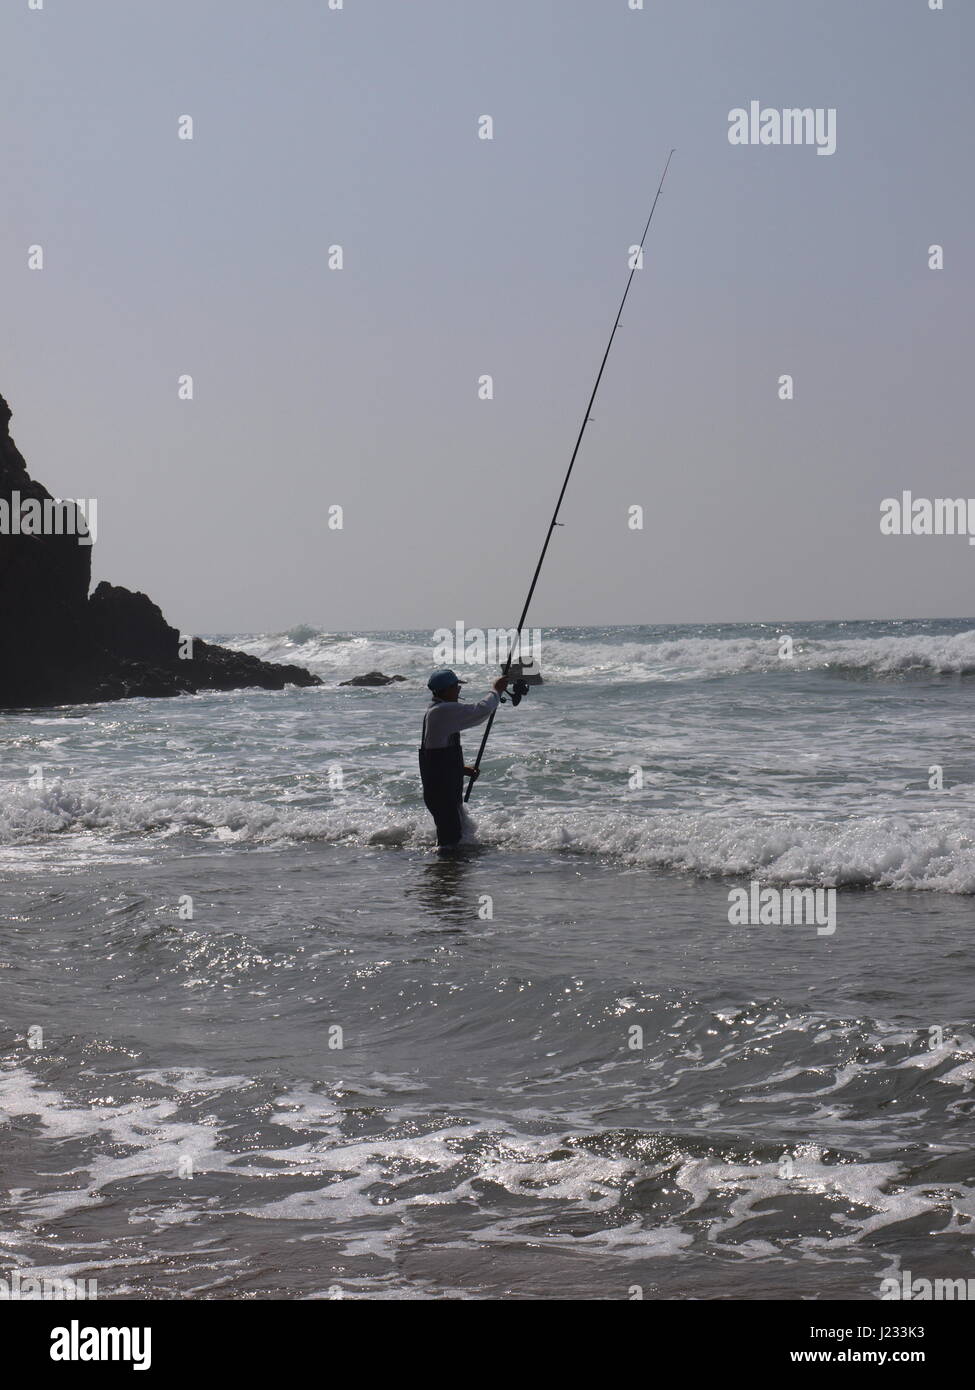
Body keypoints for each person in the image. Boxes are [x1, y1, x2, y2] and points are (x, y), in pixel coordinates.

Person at [419, 668, 508, 849]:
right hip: (441, 791)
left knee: (453, 836)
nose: (459, 690)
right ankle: (445, 874)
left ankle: (447, 871)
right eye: (456, 687)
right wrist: (496, 689)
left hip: (441, 787)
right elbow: (481, 710)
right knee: (450, 843)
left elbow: (437, 754)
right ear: (447, 689)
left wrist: (461, 769)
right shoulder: (441, 711)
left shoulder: (438, 710)